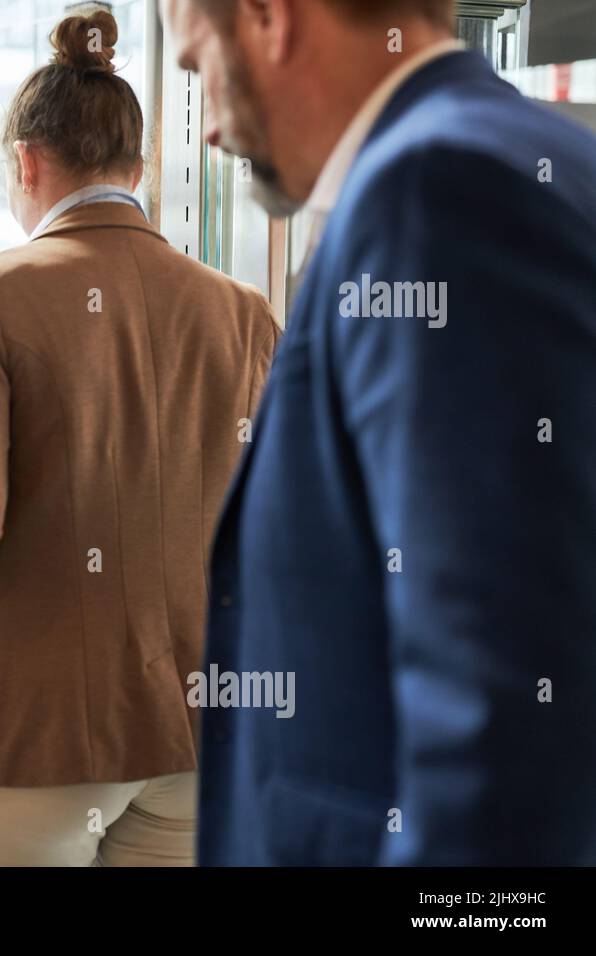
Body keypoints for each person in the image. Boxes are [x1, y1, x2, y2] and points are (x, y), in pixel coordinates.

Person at [164, 0, 596, 864]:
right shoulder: (535, 155)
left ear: (269, 18)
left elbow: (499, 721)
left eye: (196, 70)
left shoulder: (435, 190)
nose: (206, 127)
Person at [0, 9, 279, 866]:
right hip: (195, 727)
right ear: (139, 169)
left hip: (28, 736)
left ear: (26, 162)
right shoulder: (243, 313)